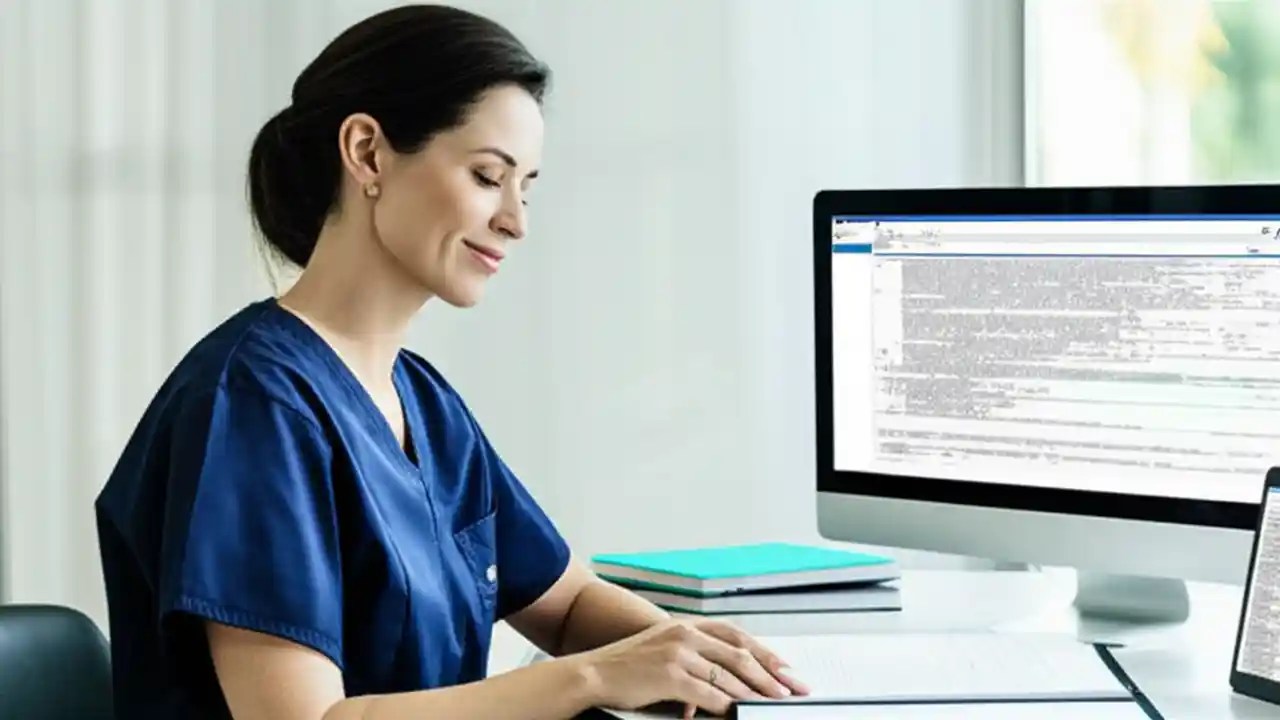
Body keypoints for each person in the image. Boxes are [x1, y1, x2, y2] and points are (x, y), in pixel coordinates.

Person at [93, 5, 808, 719]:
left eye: (526, 188)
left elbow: (566, 604)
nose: (515, 221)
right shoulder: (252, 404)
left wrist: (710, 662)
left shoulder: (423, 403)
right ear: (368, 153)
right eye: (488, 176)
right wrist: (591, 679)